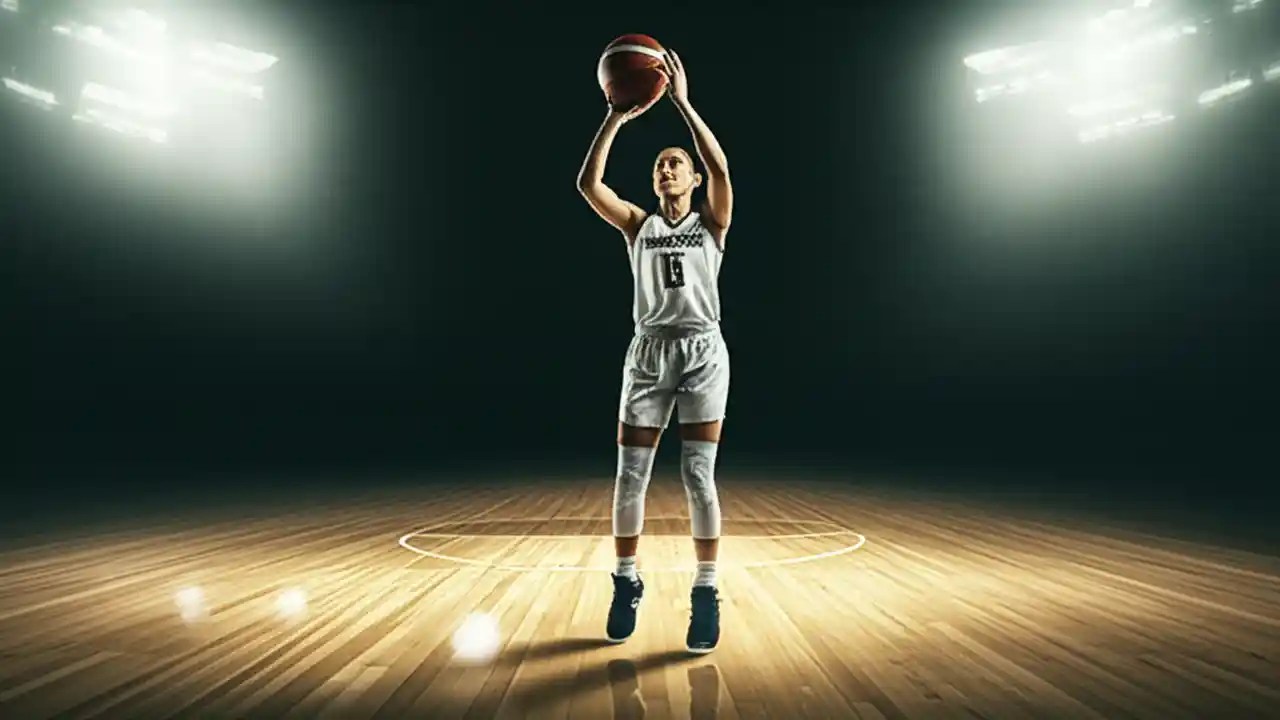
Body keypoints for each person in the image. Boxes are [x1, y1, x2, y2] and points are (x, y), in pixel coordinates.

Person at [575, 49, 733, 654]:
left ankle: (706, 590)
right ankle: (624, 581)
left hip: (702, 353)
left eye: (677, 164)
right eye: (661, 164)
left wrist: (683, 104)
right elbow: (588, 184)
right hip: (648, 355)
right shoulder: (638, 225)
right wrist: (616, 116)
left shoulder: (713, 222)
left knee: (698, 477)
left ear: (692, 180)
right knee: (628, 479)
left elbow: (721, 169)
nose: (668, 169)